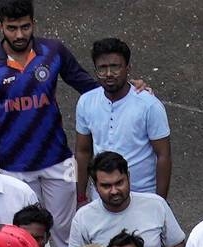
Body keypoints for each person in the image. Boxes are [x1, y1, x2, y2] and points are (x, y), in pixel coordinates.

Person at [0, 0, 96, 247]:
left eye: (25, 27)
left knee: (66, 233)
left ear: (34, 23)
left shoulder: (54, 51)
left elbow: (88, 87)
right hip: (14, 166)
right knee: (24, 236)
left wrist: (128, 88)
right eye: (12, 28)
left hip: (60, 161)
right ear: (1, 27)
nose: (20, 34)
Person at [73, 37, 170, 200]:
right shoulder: (86, 102)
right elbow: (82, 152)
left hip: (143, 196)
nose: (109, 74)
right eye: (102, 68)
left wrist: (160, 203)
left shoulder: (149, 105)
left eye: (115, 67)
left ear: (128, 68)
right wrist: (81, 197)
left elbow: (164, 156)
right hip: (101, 196)